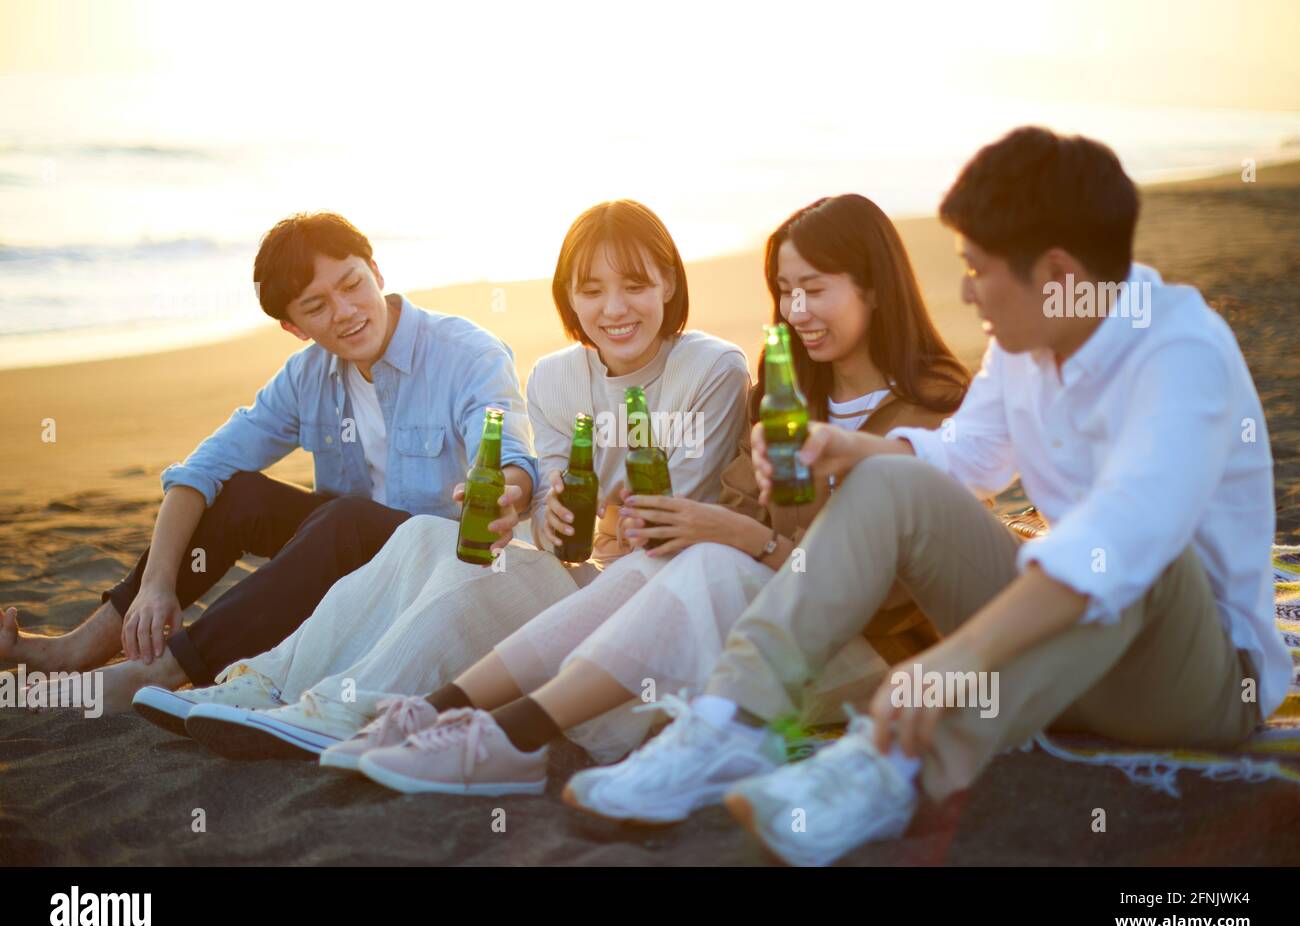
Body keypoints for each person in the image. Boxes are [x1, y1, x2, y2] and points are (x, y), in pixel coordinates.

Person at [561, 126, 1289, 866]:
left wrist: (958, 658)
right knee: (890, 477)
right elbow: (966, 456)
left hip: (1195, 681)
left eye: (977, 268)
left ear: (1058, 270)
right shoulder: (1023, 340)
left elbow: (1127, 532)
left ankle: (888, 768)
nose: (966, 290)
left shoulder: (1180, 352)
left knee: (1128, 554)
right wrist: (851, 448)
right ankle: (727, 722)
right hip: (1063, 672)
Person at [346, 193, 972, 795]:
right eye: (785, 290)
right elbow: (728, 517)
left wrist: (752, 539)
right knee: (674, 563)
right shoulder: (788, 399)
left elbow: (892, 596)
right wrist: (647, 525)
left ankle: (510, 735)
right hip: (769, 630)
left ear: (874, 287)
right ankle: (440, 710)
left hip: (879, 659)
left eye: (817, 287)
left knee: (707, 563)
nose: (798, 308)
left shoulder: (934, 411)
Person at [144, 199, 752, 760]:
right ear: (567, 294)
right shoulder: (556, 376)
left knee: (455, 557)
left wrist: (606, 521)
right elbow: (549, 531)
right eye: (591, 290)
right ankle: (270, 685)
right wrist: (554, 513)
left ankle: (346, 708)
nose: (614, 309)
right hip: (588, 579)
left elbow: (685, 527)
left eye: (637, 285)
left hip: (655, 602)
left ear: (670, 281)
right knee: (425, 537)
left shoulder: (712, 368)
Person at [1, 212, 537, 713]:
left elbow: (511, 453)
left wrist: (507, 492)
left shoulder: (467, 353)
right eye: (316, 305)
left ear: (375, 271)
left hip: (445, 571)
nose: (345, 312)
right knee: (240, 494)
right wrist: (157, 585)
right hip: (350, 569)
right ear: (295, 327)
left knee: (345, 516)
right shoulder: (308, 376)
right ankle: (77, 649)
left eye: (351, 284)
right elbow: (200, 471)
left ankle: (163, 671)